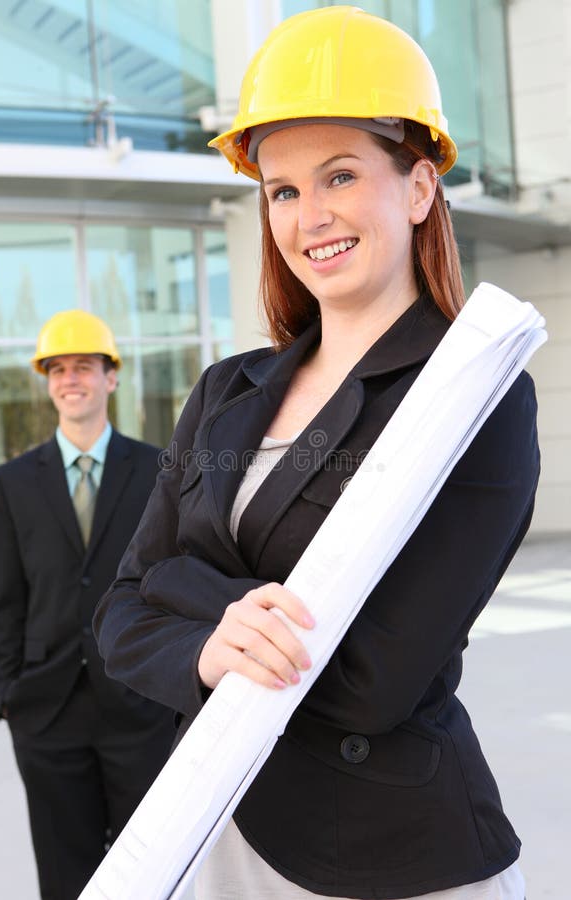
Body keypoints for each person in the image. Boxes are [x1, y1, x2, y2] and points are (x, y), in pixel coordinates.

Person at [94, 8, 538, 899]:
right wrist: (216, 639)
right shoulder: (228, 390)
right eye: (284, 190)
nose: (310, 216)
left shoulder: (471, 396)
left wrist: (191, 593)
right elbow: (119, 615)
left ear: (418, 189)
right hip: (211, 826)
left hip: (386, 855)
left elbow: (370, 683)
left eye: (340, 175)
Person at [0, 310, 177, 900]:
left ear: (111, 377)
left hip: (138, 704)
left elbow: (173, 579)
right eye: (59, 368)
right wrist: (7, 692)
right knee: (66, 877)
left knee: (150, 871)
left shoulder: (155, 469)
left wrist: (173, 691)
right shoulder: (13, 481)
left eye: (86, 367)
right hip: (46, 711)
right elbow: (6, 598)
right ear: (48, 382)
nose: (72, 379)